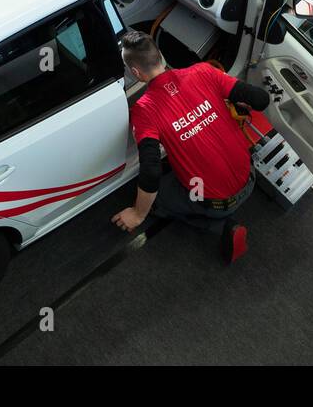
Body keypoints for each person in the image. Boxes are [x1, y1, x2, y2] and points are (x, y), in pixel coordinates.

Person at [112, 31, 271, 264]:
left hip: (218, 204)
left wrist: (137, 214)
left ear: (135, 73)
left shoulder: (144, 110)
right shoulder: (204, 71)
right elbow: (260, 99)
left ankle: (221, 226)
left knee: (153, 200)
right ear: (161, 56)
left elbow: (151, 171)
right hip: (250, 176)